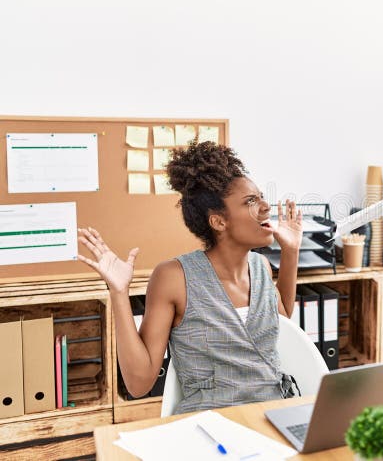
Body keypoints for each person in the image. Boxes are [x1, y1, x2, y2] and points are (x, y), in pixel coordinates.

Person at [77, 141, 303, 413]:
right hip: (211, 424)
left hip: (274, 414)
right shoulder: (174, 278)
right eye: (251, 201)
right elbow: (139, 384)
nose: (266, 207)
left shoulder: (262, 267)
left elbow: (283, 324)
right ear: (219, 222)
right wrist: (119, 293)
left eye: (262, 197)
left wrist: (291, 252)